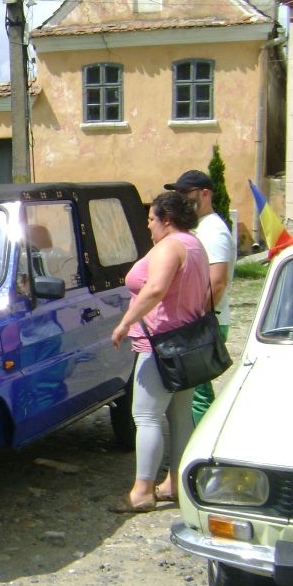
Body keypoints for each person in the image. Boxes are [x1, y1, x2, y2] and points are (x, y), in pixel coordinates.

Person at [110, 191, 210, 512]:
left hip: (160, 345)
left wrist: (126, 322)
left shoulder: (170, 247)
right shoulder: (195, 245)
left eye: (152, 219)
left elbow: (155, 288)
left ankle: (141, 491)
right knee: (179, 417)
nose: (148, 225)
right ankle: (176, 484)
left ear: (166, 219)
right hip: (187, 343)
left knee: (146, 416)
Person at [165, 170, 237, 424]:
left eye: (186, 193)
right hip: (201, 318)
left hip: (206, 319)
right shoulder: (201, 227)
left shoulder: (214, 230)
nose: (181, 199)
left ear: (204, 194)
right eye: (178, 194)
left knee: (198, 395)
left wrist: (196, 319)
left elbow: (217, 282)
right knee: (195, 392)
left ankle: (200, 454)